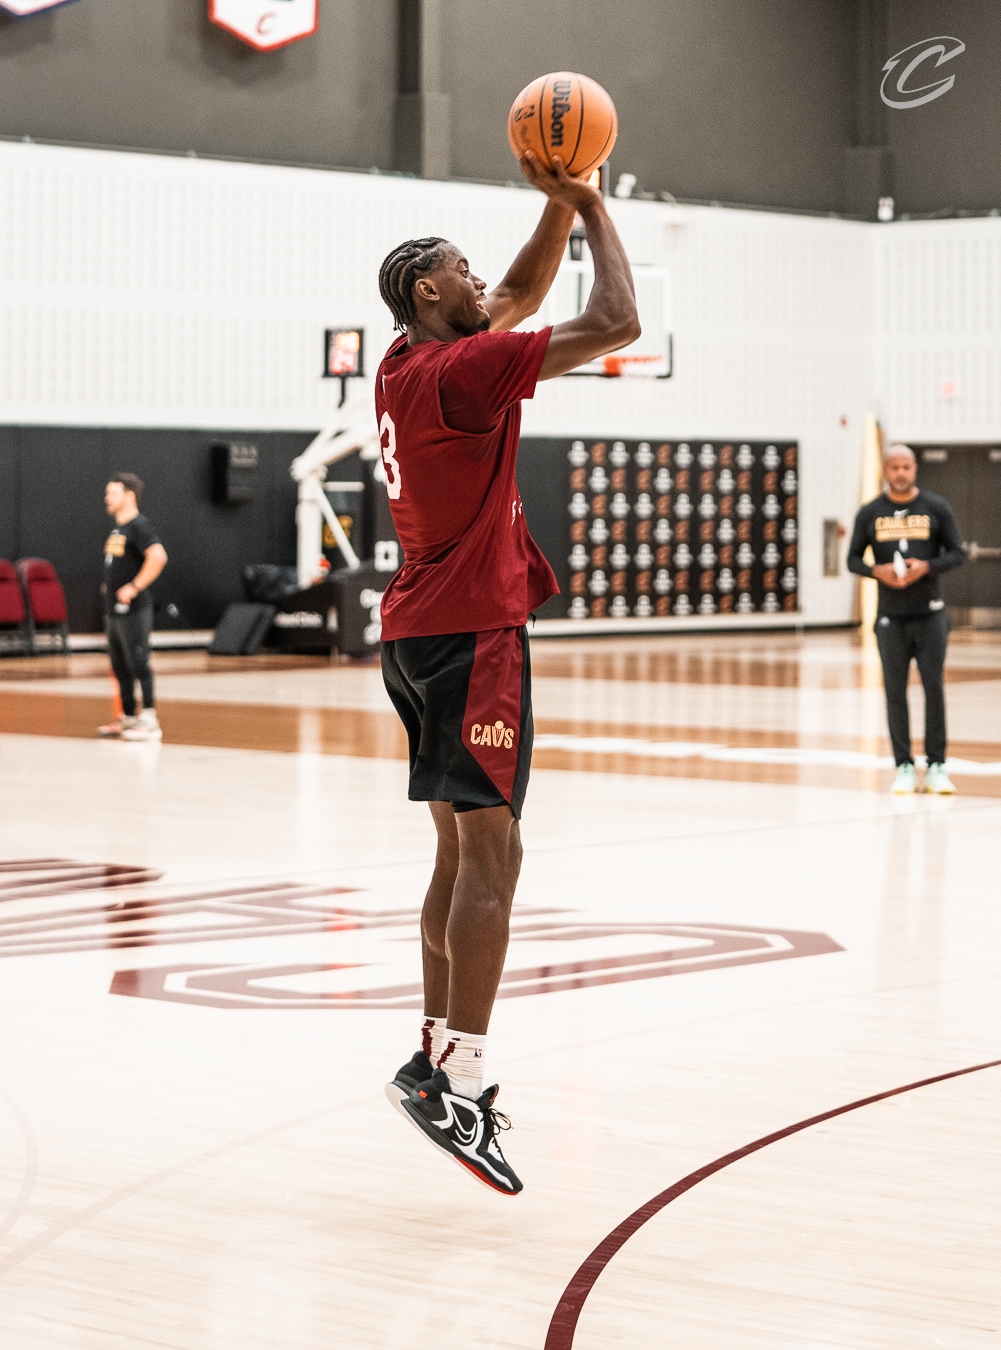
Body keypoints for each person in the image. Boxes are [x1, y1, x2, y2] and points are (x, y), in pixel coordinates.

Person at [375, 153, 640, 1193]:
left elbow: (522, 294)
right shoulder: (460, 372)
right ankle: (463, 1084)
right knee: (496, 861)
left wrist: (555, 205)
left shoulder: (407, 360)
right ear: (427, 291)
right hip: (475, 636)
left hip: (416, 634)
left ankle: (434, 1053)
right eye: (463, 269)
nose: (484, 280)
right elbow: (614, 321)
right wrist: (596, 208)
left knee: (455, 853)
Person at [848, 444, 965, 794]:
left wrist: (927, 566)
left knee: (934, 689)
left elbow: (958, 553)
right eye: (894, 467)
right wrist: (876, 571)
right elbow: (852, 560)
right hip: (890, 617)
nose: (901, 472)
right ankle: (902, 765)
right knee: (894, 693)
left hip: (930, 615)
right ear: (884, 470)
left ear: (915, 469)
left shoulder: (935, 507)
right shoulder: (871, 512)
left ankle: (937, 765)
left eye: (907, 467)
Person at [98, 473, 169, 742]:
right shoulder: (118, 529)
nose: (107, 498)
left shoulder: (140, 526)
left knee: (139, 662)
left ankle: (150, 720)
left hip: (135, 609)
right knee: (120, 665)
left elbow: (158, 556)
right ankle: (128, 717)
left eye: (112, 493)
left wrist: (134, 587)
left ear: (128, 495)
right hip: (113, 609)